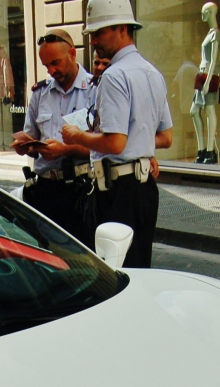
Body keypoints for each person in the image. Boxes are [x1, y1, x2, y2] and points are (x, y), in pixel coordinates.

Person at [62, 0, 172, 268]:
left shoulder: (114, 76)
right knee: (139, 267)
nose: (94, 41)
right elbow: (165, 137)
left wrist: (77, 135)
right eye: (92, 34)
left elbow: (114, 142)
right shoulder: (152, 72)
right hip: (144, 189)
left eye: (99, 33)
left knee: (115, 273)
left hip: (118, 190)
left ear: (122, 28)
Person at [12, 29, 95, 243]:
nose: (51, 71)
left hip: (82, 188)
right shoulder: (40, 93)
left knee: (83, 258)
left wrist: (65, 150)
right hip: (46, 189)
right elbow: (31, 136)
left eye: (55, 63)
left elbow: (104, 146)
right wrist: (26, 146)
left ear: (73, 54)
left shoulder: (95, 89)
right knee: (48, 257)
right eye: (46, 65)